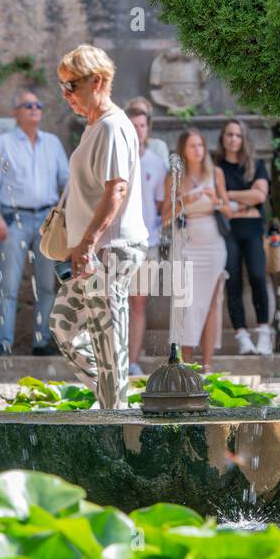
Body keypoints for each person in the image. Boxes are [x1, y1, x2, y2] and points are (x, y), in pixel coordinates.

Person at [49, 45, 149, 409]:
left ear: (98, 81)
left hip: (109, 249)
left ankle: (116, 415)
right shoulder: (94, 126)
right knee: (63, 327)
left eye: (71, 85)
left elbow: (116, 189)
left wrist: (88, 243)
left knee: (108, 337)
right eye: (62, 86)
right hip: (91, 251)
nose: (66, 95)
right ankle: (113, 399)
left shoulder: (110, 125)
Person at [0, 89, 70, 356]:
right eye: (27, 105)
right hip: (14, 219)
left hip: (46, 221)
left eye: (38, 105)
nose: (34, 109)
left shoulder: (53, 143)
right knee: (7, 285)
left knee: (46, 285)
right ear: (16, 112)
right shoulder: (3, 142)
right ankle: (2, 342)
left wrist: (67, 215)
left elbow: (66, 182)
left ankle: (42, 342)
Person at [163, 128, 230, 370]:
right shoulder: (174, 178)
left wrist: (217, 201)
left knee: (213, 301)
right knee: (186, 303)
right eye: (192, 146)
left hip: (212, 243)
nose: (198, 151)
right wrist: (185, 201)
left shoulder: (216, 174)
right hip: (186, 243)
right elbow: (164, 219)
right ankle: (187, 362)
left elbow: (228, 210)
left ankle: (208, 364)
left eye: (201, 145)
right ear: (183, 150)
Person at [215, 118, 273, 355]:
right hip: (227, 231)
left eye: (238, 135)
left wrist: (229, 194)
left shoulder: (255, 165)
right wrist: (242, 201)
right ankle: (242, 336)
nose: (233, 139)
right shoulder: (216, 167)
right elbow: (220, 204)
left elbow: (260, 196)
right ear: (223, 138)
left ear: (244, 139)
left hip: (253, 228)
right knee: (233, 282)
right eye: (229, 135)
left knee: (259, 276)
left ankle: (264, 333)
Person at [125, 101, 169, 376]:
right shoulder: (115, 159)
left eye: (142, 126)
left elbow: (162, 204)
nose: (138, 130)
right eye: (133, 126)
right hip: (116, 241)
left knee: (138, 303)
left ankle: (132, 361)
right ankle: (111, 361)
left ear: (147, 129)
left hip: (147, 242)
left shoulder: (156, 162)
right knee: (111, 302)